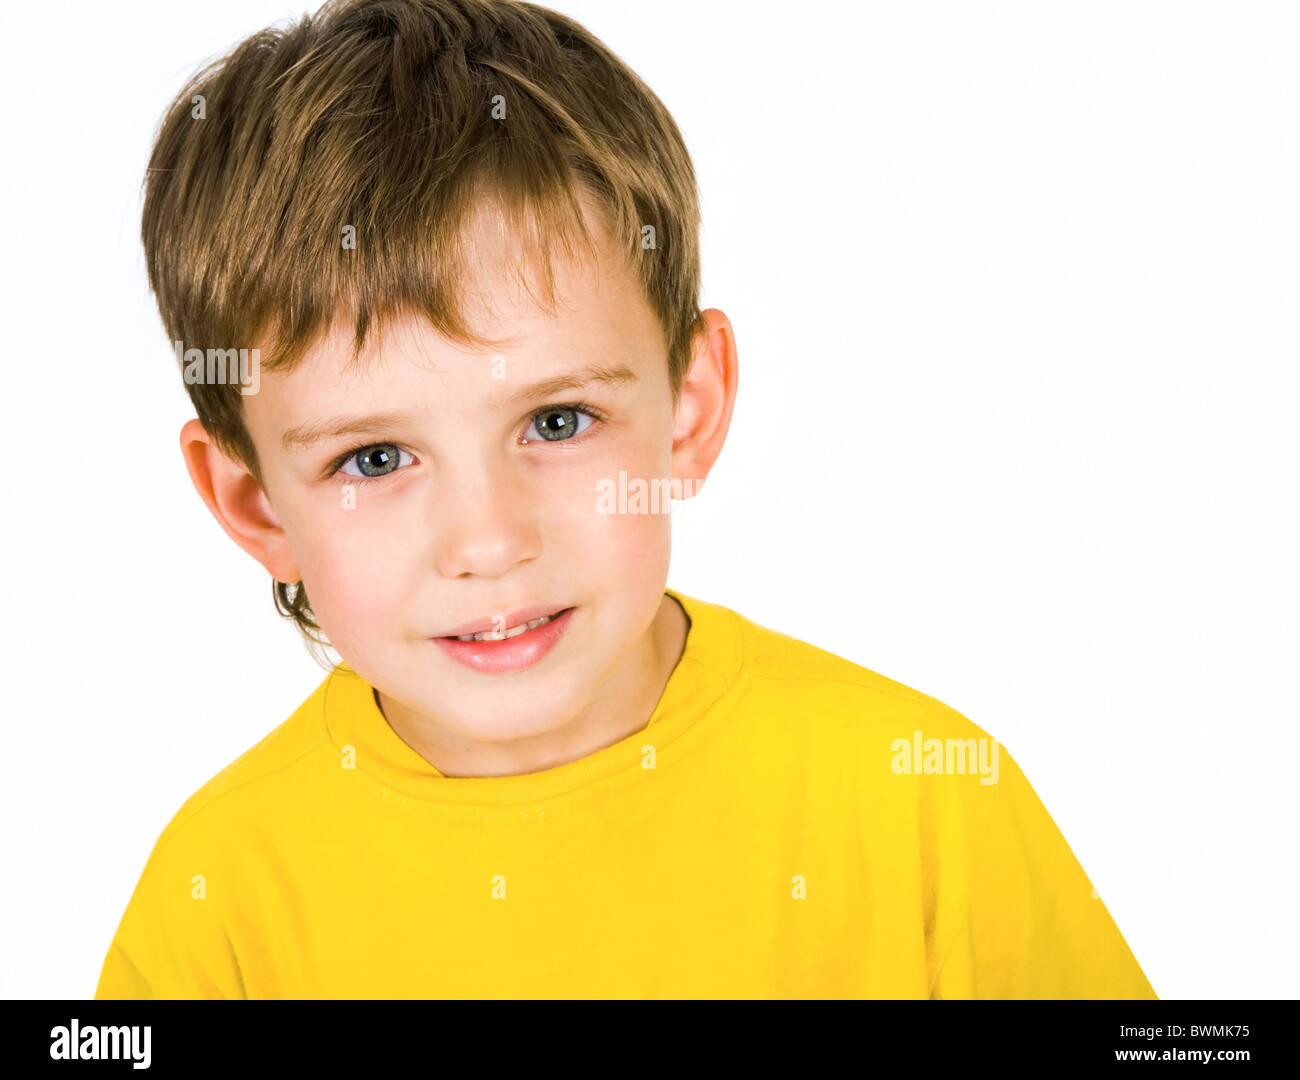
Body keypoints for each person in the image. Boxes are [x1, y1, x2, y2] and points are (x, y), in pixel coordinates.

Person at [94, 0, 1155, 998]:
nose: (489, 541)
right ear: (255, 505)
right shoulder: (220, 903)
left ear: (689, 410)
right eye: (374, 458)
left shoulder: (916, 800)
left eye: (556, 423)